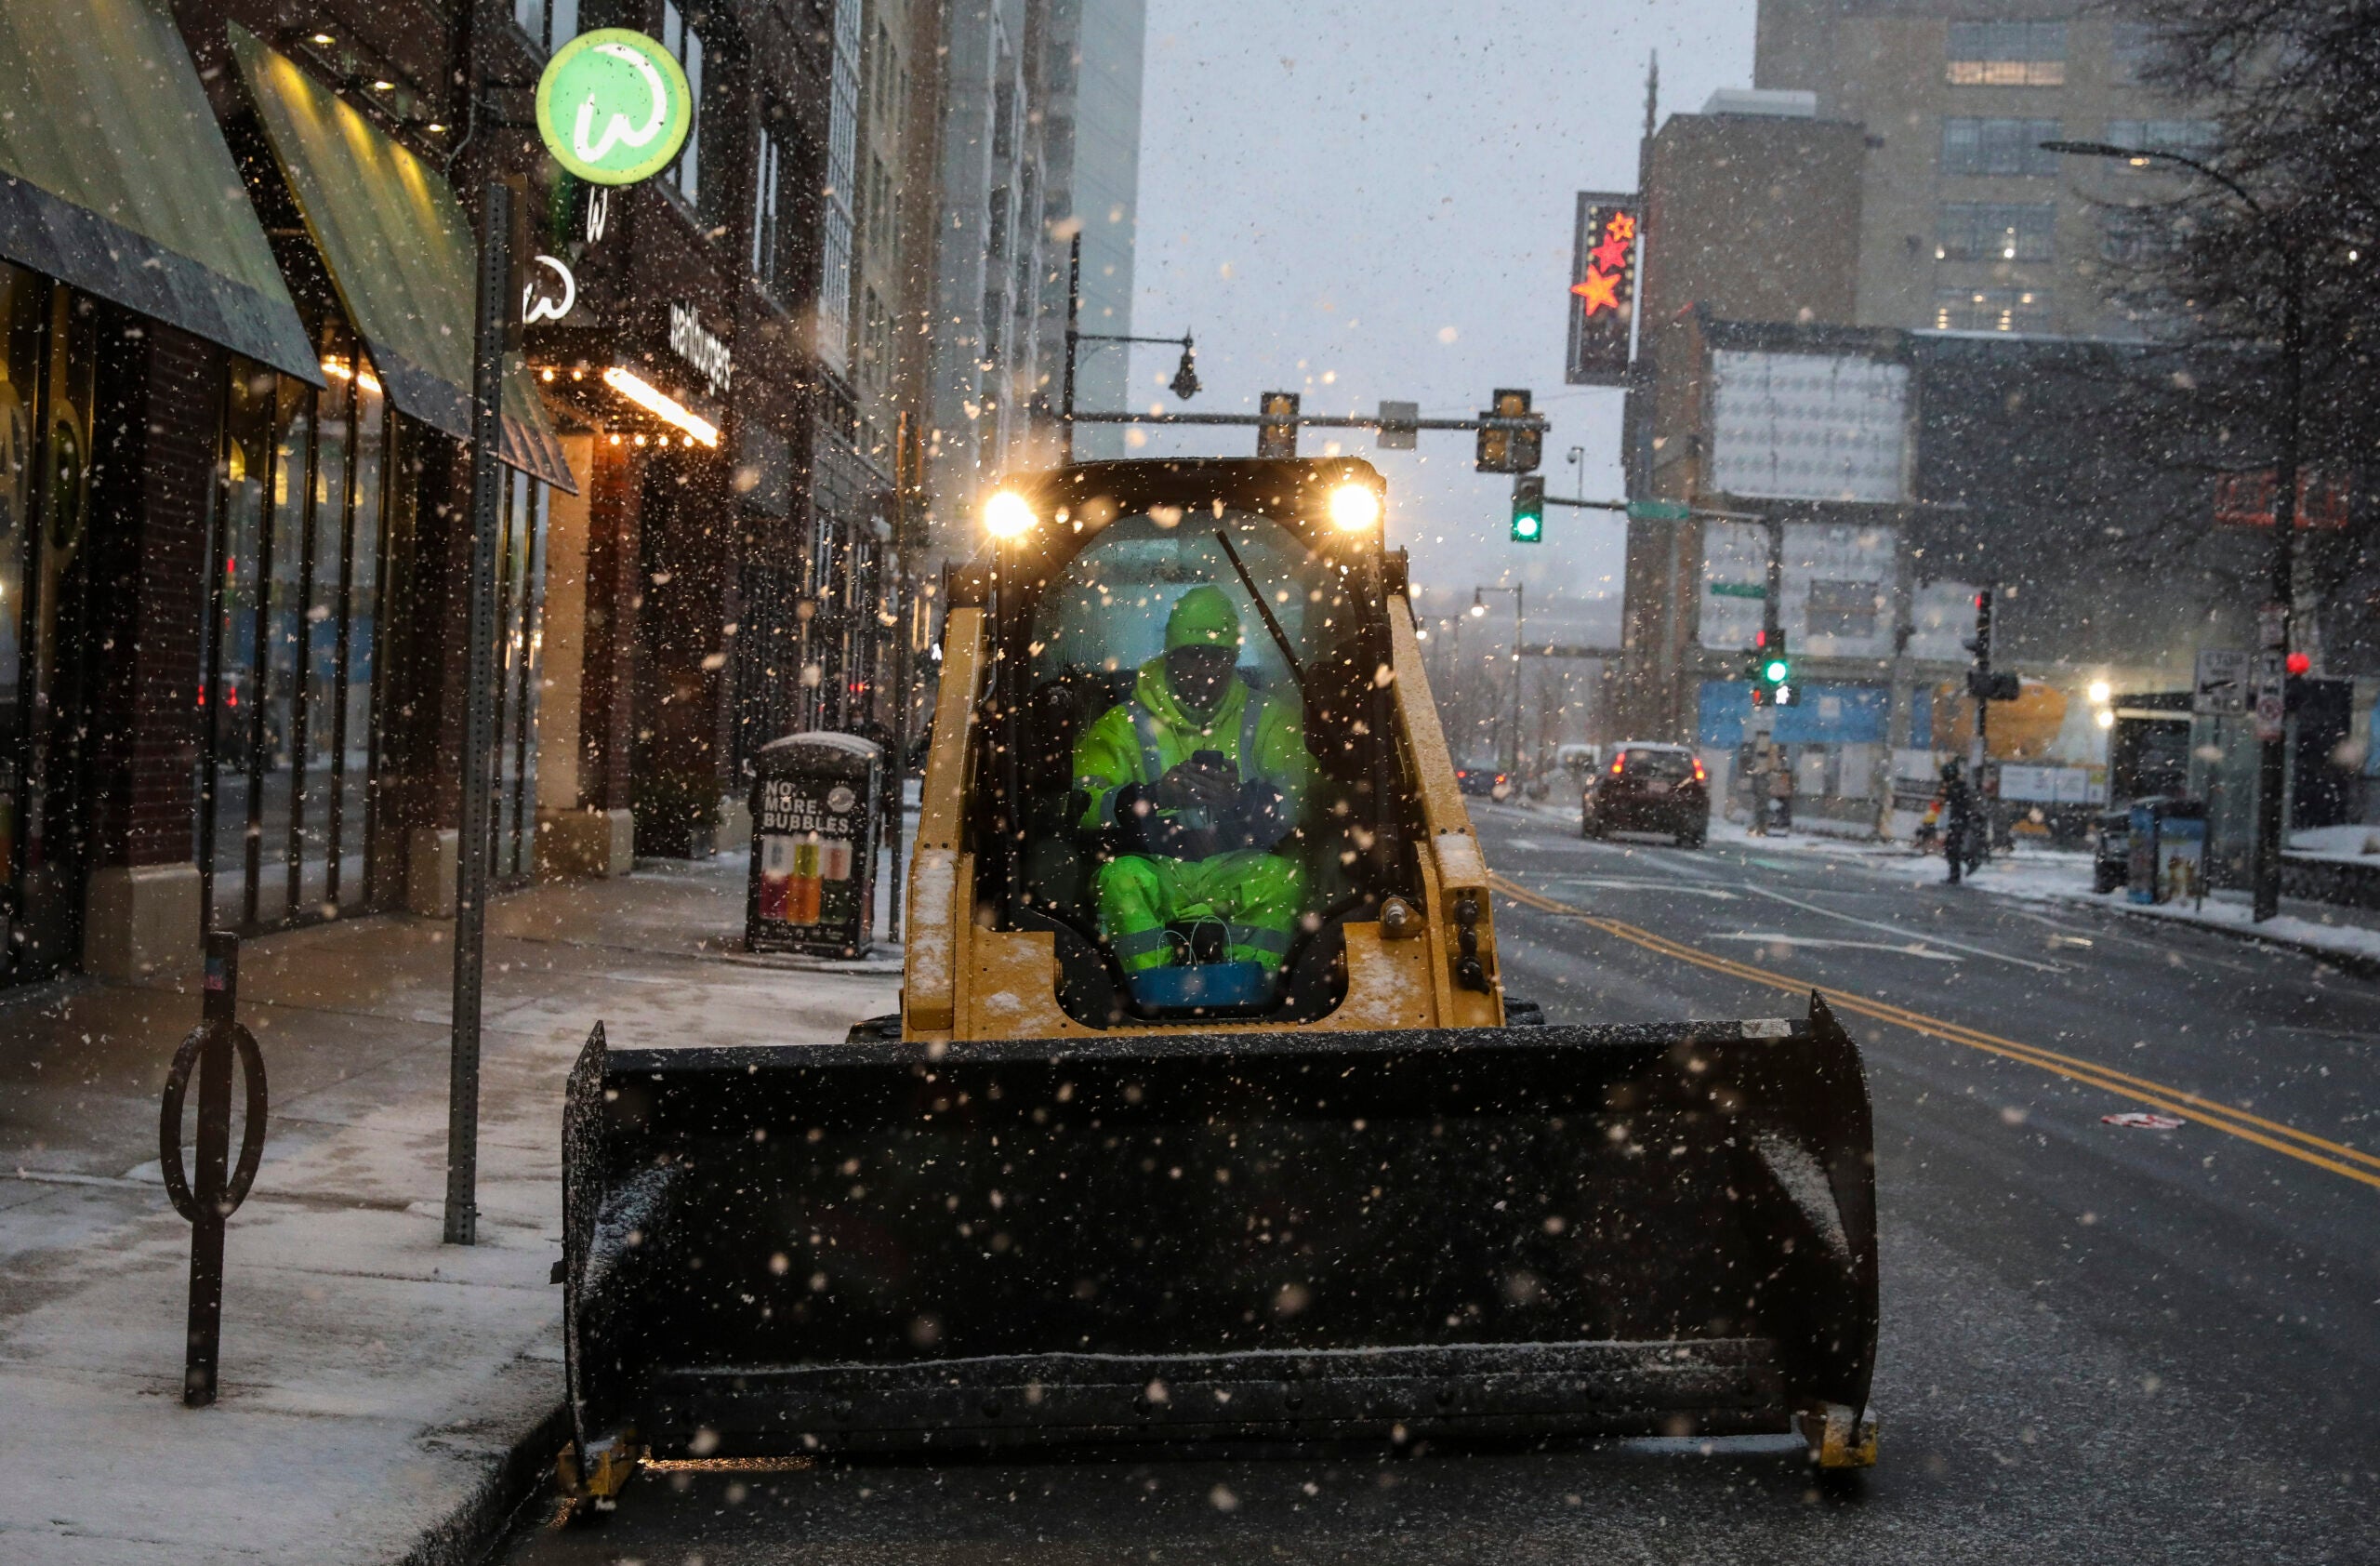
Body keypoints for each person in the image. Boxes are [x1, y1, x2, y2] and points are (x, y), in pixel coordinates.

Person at [1071, 586, 1315, 979]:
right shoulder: (1120, 726)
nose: (1205, 670)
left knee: (1281, 879)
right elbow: (1082, 807)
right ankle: (1150, 993)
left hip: (1234, 866)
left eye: (1217, 657)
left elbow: (1302, 804)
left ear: (1233, 659)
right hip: (1155, 866)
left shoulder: (1269, 718)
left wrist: (1240, 800)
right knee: (1120, 880)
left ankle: (1250, 990)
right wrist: (1153, 796)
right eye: (1193, 655)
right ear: (1170, 656)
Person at [1940, 757, 1976, 885]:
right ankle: (1956, 873)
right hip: (1958, 820)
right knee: (1952, 847)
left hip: (1959, 821)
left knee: (1953, 848)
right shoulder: (1958, 786)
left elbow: (1957, 803)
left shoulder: (1957, 787)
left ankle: (1957, 873)